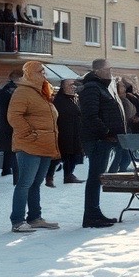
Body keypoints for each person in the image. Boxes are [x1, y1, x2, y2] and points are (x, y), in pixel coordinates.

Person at [6, 59, 61, 233]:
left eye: (44, 71)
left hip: (44, 145)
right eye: (39, 71)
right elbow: (14, 116)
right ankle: (17, 220)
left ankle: (35, 218)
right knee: (25, 183)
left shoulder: (42, 93)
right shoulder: (22, 92)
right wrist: (30, 134)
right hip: (28, 145)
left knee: (36, 184)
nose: (43, 74)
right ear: (29, 73)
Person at [79, 60, 125, 228]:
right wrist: (106, 132)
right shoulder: (92, 87)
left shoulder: (101, 87)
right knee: (95, 177)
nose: (111, 71)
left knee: (97, 177)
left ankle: (94, 212)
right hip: (98, 140)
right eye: (108, 69)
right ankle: (91, 215)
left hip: (103, 139)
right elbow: (90, 116)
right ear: (98, 71)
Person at [47, 78, 83, 187]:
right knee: (58, 156)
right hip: (62, 131)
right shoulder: (59, 100)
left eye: (74, 84)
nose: (73, 86)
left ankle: (69, 175)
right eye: (70, 84)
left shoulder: (75, 99)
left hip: (75, 131)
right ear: (63, 86)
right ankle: (49, 177)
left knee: (72, 155)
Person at [0, 69, 22, 179]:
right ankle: (11, 170)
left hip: (5, 123)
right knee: (14, 147)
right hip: (11, 123)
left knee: (9, 147)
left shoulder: (4, 91)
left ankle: (6, 168)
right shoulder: (13, 91)